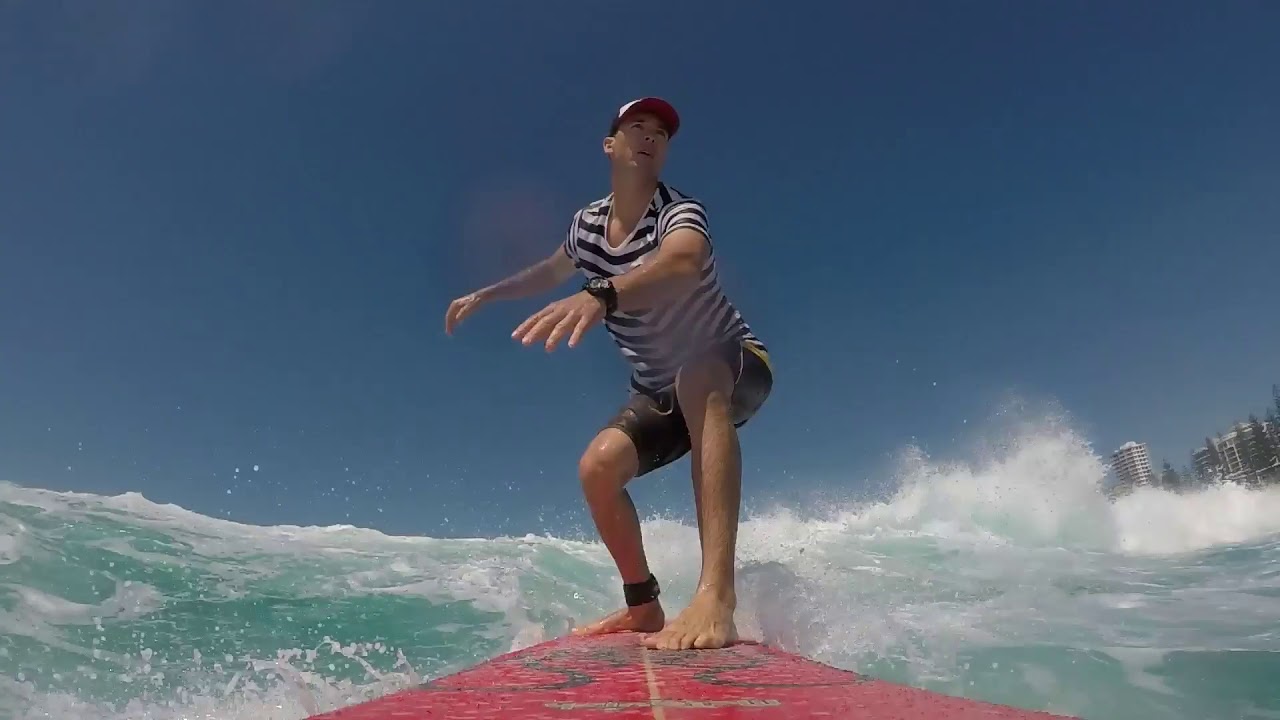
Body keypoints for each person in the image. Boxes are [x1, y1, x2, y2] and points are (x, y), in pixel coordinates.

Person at [444, 97, 773, 651]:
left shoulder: (678, 211)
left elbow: (682, 263)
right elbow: (550, 269)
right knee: (597, 468)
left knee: (696, 376)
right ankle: (643, 605)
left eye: (661, 134)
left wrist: (604, 293)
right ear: (610, 144)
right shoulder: (587, 226)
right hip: (658, 389)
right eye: (636, 127)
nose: (650, 137)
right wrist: (487, 293)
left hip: (734, 360)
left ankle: (717, 596)